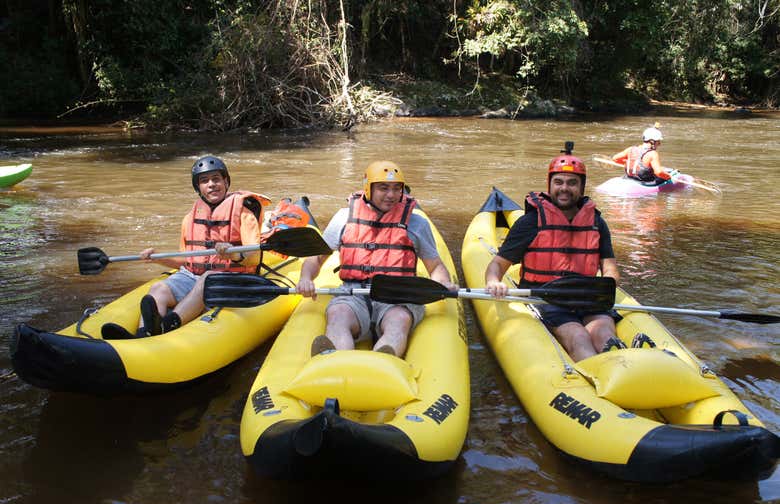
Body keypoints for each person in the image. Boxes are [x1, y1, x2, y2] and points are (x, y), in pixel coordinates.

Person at [296, 160, 457, 358]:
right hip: (354, 294)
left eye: (397, 188)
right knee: (338, 315)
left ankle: (382, 360)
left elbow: (436, 266)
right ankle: (338, 362)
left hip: (397, 296)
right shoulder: (343, 218)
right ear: (368, 188)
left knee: (398, 320)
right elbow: (316, 259)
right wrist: (306, 278)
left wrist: (443, 283)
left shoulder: (416, 223)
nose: (391, 195)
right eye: (383, 188)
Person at [101, 156, 270, 339]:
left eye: (216, 179)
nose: (211, 184)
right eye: (204, 181)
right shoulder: (189, 218)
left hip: (232, 279)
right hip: (193, 277)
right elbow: (188, 261)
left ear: (226, 182)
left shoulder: (244, 214)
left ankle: (168, 325)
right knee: (158, 288)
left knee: (208, 277)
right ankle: (144, 334)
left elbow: (254, 257)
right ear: (198, 188)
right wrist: (158, 257)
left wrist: (233, 255)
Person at [484, 144, 625, 362]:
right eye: (558, 182)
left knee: (604, 334)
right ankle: (596, 373)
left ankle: (622, 366)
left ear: (582, 187)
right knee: (578, 336)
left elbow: (610, 268)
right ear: (549, 185)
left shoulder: (597, 223)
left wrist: (605, 287)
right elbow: (497, 265)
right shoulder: (530, 222)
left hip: (586, 297)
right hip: (546, 298)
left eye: (572, 183)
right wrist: (493, 282)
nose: (564, 188)